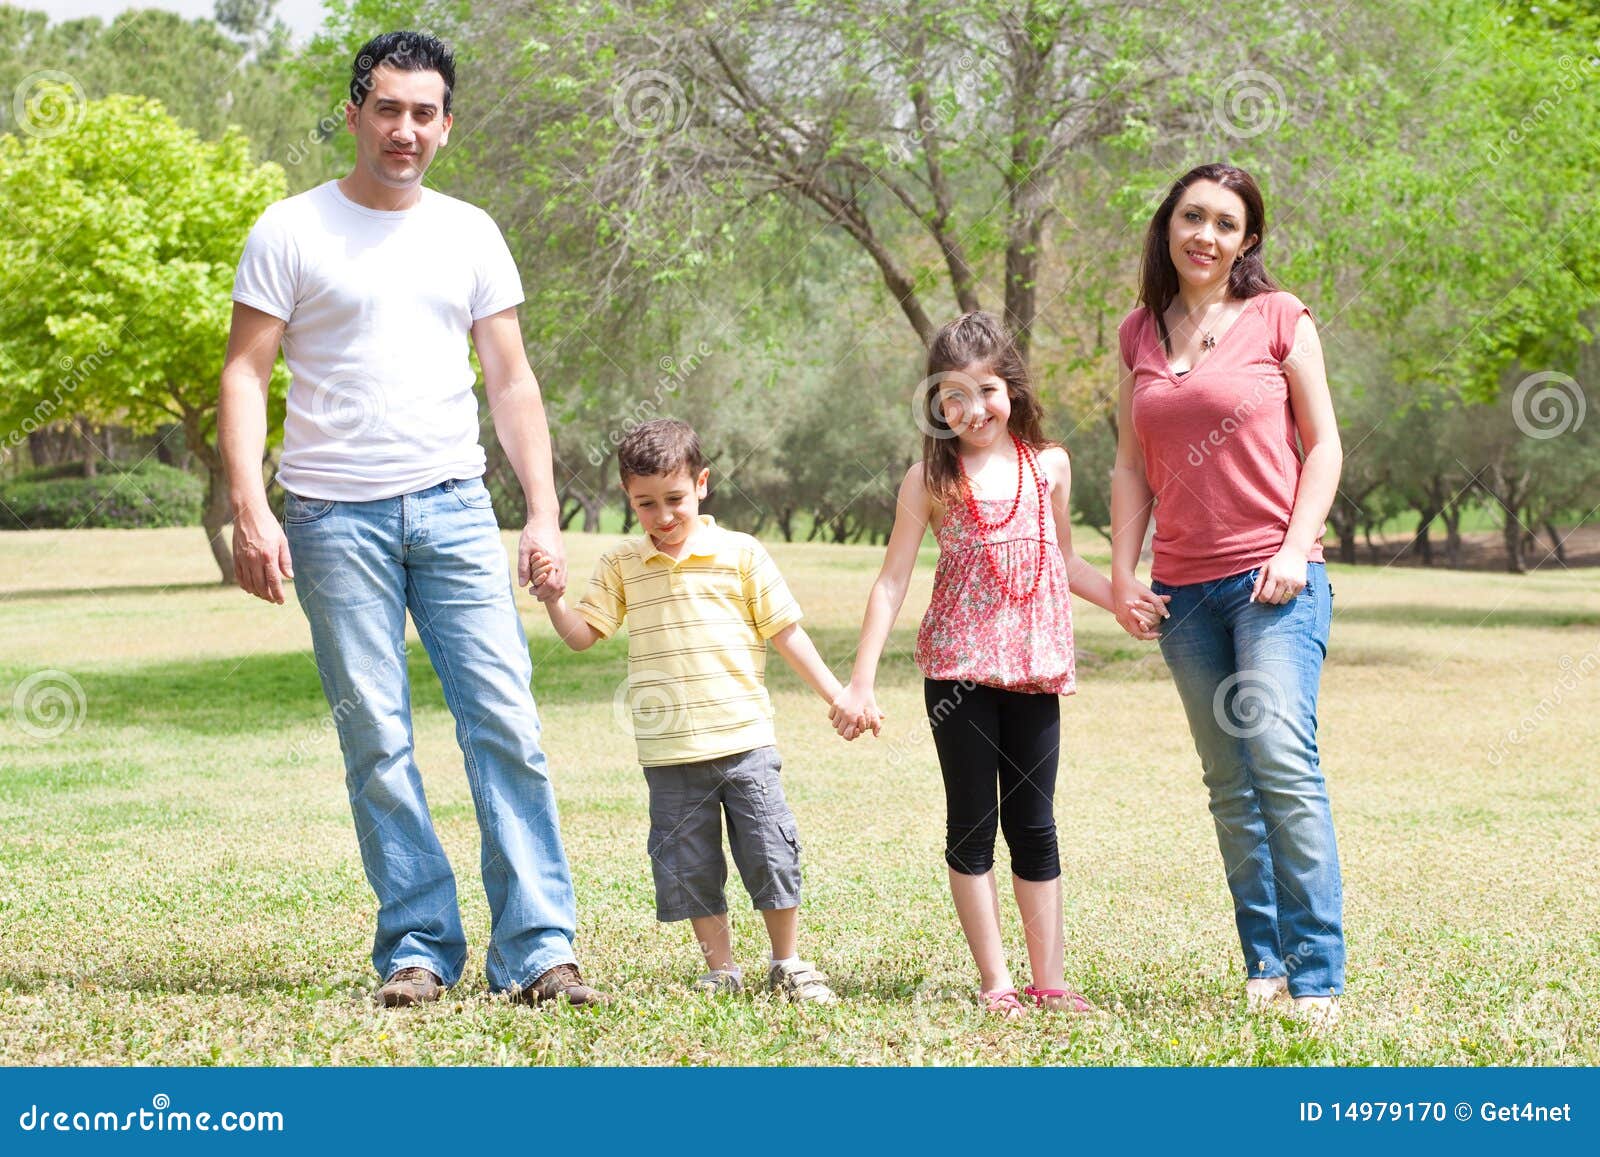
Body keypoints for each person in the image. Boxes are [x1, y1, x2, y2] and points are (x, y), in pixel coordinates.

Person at [218, 31, 605, 1009]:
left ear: (446, 124)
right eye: (386, 108)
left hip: (453, 503)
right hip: (329, 515)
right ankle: (417, 943)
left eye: (423, 112)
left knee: (507, 722)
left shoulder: (469, 231)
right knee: (376, 734)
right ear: (353, 114)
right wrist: (250, 505)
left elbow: (511, 381)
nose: (404, 128)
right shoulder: (290, 229)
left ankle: (539, 949)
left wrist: (545, 511)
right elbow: (244, 372)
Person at [829, 313, 1162, 1018]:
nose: (973, 408)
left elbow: (1064, 558)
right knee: (973, 825)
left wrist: (1119, 599)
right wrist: (859, 679)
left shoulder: (1051, 465)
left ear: (1011, 387)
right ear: (935, 405)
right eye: (953, 395)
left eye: (986, 389)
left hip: (1036, 668)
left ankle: (1050, 981)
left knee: (1036, 826)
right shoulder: (928, 479)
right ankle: (997, 982)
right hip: (960, 676)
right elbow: (892, 582)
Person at [1108, 162, 1345, 1027]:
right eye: (1191, 216)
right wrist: (1123, 571)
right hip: (1184, 592)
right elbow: (1132, 466)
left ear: (1248, 240)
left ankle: (1318, 972)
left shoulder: (1282, 317)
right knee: (1228, 780)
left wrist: (1292, 549)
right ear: (1168, 225)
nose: (1204, 234)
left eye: (1225, 222)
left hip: (1275, 582)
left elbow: (1323, 448)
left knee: (1279, 758)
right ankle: (1265, 961)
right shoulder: (1138, 331)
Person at [535, 419, 840, 1002]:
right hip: (669, 751)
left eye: (674, 499)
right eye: (645, 503)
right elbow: (582, 635)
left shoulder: (741, 554)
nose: (663, 515)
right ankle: (721, 968)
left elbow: (788, 633)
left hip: (744, 740)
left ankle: (787, 961)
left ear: (701, 484)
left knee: (770, 852)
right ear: (628, 499)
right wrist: (553, 600)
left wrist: (839, 695)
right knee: (691, 865)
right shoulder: (622, 563)